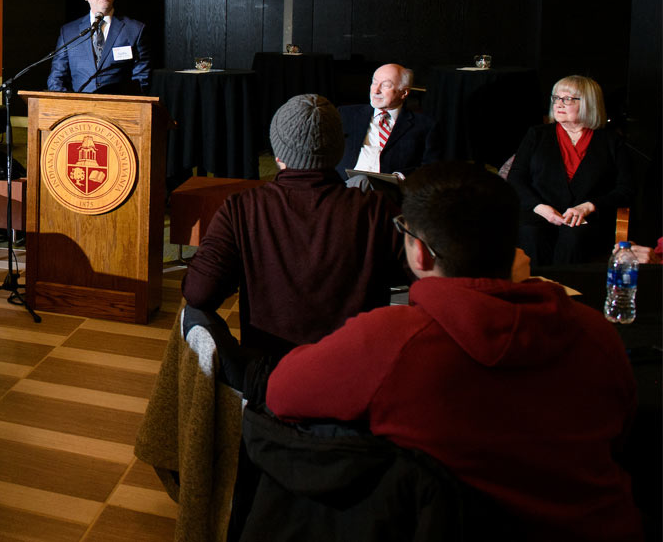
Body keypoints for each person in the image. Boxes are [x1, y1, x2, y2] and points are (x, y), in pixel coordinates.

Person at [266, 162, 642, 541]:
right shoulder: (597, 333)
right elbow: (621, 433)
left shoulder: (389, 340)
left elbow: (281, 392)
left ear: (421, 254)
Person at [182, 94, 405, 355]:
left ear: (278, 153)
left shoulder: (242, 209)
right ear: (338, 151)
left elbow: (198, 293)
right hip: (355, 374)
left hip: (272, 379)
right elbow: (419, 278)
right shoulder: (377, 210)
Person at [508, 75, 632, 265]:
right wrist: (540, 208)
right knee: (532, 233)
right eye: (556, 98)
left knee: (574, 236)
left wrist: (588, 206)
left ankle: (567, 292)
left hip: (587, 219)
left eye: (568, 99)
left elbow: (625, 190)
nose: (559, 104)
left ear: (589, 104)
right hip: (540, 212)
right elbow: (516, 178)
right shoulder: (537, 134)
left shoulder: (611, 141)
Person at [46, 0, 151, 94]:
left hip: (118, 110)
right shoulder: (69, 32)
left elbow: (142, 79)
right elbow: (56, 79)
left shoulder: (135, 30)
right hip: (79, 111)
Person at [334, 63, 440, 185]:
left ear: (404, 93)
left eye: (386, 85)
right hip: (344, 186)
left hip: (390, 191)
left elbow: (430, 168)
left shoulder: (425, 125)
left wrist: (400, 177)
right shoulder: (346, 114)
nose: (376, 90)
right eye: (374, 82)